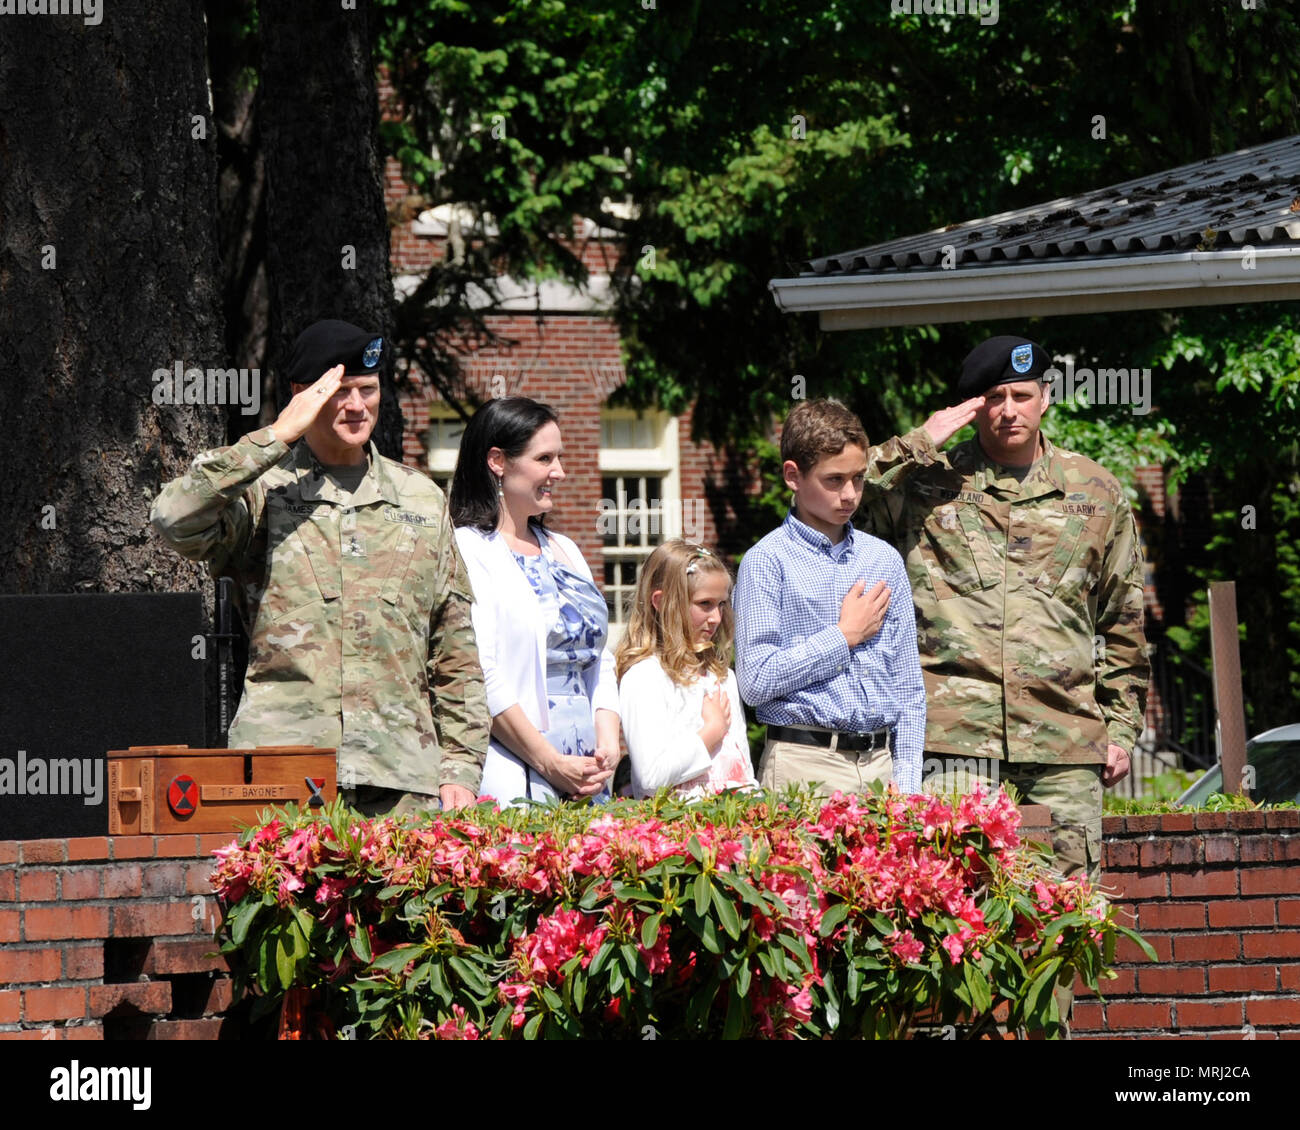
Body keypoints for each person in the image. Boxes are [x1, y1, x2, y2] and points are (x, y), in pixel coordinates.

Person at [150, 318, 489, 817]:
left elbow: (454, 647)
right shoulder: (264, 493)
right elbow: (173, 519)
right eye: (339, 392)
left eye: (367, 390)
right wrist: (277, 435)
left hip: (399, 783)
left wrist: (460, 769)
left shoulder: (421, 500)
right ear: (302, 395)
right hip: (280, 775)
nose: (357, 406)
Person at [859, 334, 1150, 886]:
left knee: (1065, 918)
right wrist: (918, 441)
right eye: (994, 397)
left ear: (1046, 398)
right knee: (946, 909)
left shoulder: (1096, 491)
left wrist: (1121, 726)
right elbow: (831, 502)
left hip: (1063, 740)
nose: (1009, 410)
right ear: (973, 407)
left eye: (1022, 394)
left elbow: (1124, 619)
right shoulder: (924, 480)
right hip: (951, 741)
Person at [733, 399, 926, 796]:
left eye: (858, 478)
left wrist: (906, 782)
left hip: (881, 766)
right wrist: (843, 636)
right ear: (793, 475)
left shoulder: (883, 560)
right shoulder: (767, 562)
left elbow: (908, 687)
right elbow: (755, 682)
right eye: (834, 480)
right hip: (804, 765)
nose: (851, 494)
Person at [449, 397, 620, 804]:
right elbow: (480, 670)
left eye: (558, 457)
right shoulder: (468, 549)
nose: (558, 472)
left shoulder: (566, 549)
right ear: (497, 461)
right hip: (519, 767)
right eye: (544, 458)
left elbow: (602, 658)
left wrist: (609, 740)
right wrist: (549, 762)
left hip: (588, 772)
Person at [616, 539, 758, 799]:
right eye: (705, 604)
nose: (716, 617)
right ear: (660, 602)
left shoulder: (722, 676)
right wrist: (711, 731)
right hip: (678, 832)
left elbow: (743, 769)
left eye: (722, 604)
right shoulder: (645, 677)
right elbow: (651, 777)